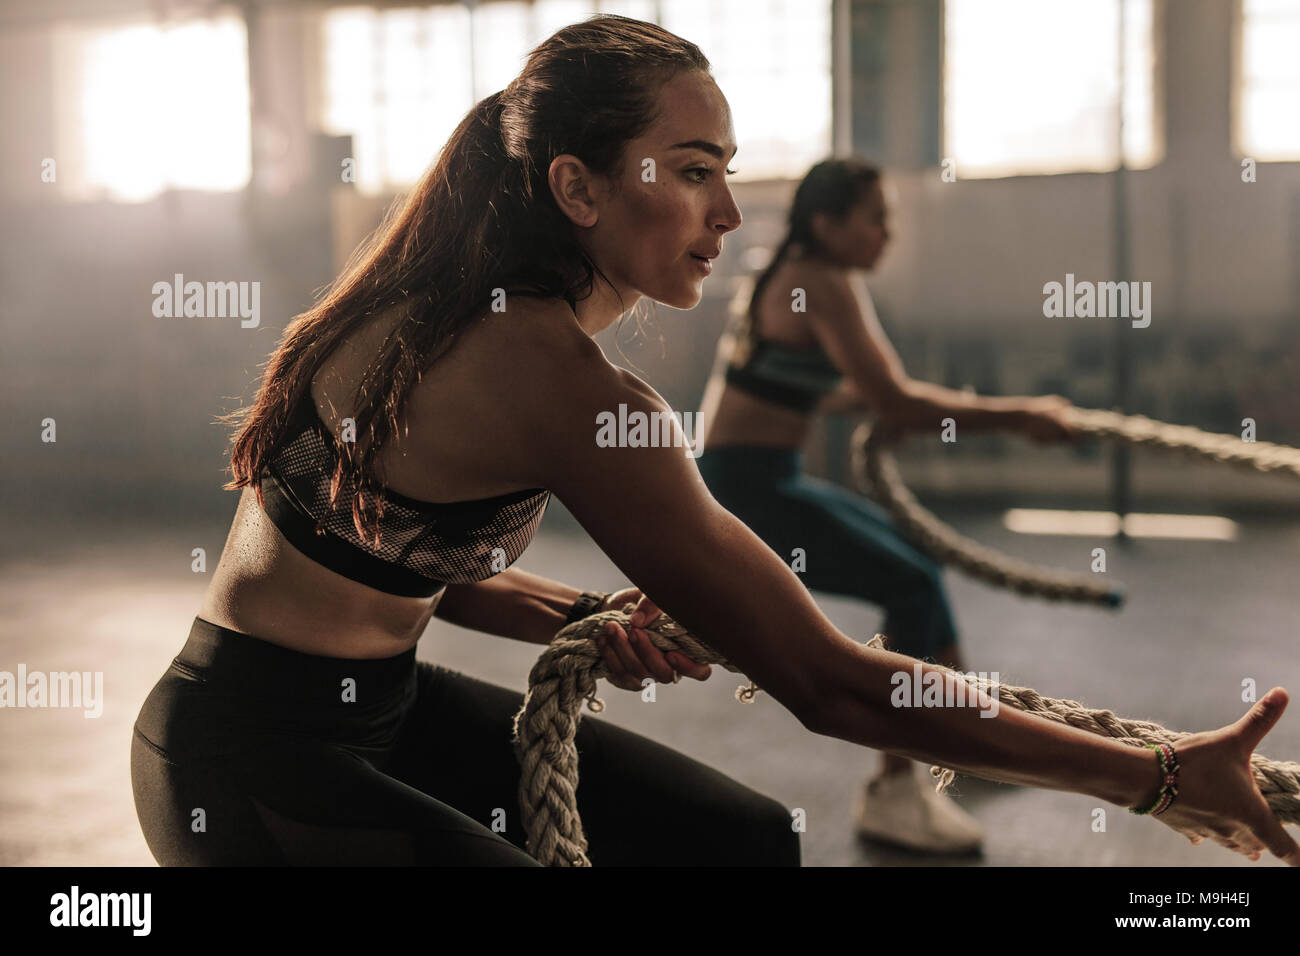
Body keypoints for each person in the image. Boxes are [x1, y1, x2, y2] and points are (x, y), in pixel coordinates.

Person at [131, 15, 1298, 867]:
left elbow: (391, 562)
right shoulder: (562, 382)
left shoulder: (440, 305)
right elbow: (831, 685)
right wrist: (1153, 777)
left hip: (370, 703)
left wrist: (579, 616)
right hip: (247, 750)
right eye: (693, 175)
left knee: (741, 841)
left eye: (726, 174)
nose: (728, 215)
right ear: (577, 188)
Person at [694, 158, 1085, 854]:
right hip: (750, 491)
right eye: (876, 219)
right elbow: (898, 396)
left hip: (753, 475)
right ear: (828, 224)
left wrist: (875, 403)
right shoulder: (823, 281)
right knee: (908, 584)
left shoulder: (786, 271)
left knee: (919, 567)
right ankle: (895, 790)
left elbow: (790, 385)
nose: (888, 234)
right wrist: (1022, 414)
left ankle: (965, 735)